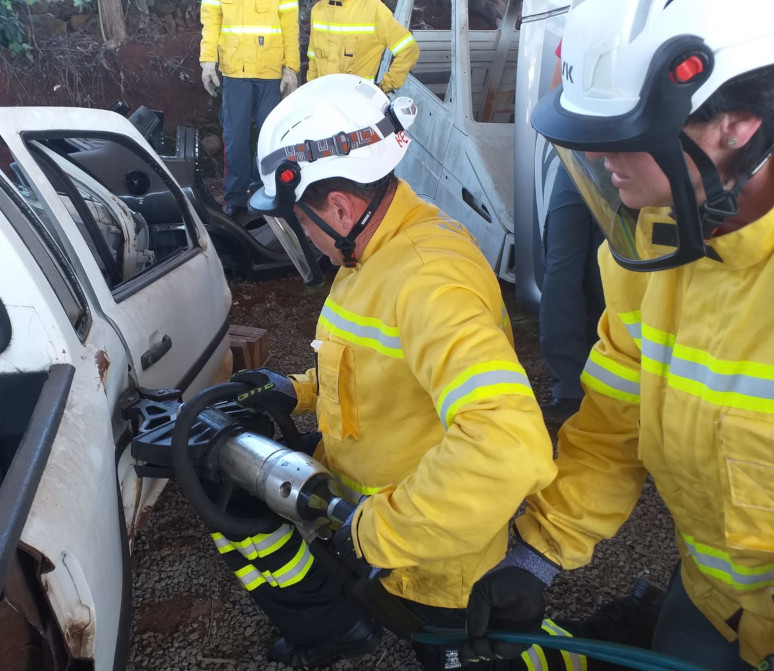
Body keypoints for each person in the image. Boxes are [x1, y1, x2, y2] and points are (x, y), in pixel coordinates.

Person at [466, 1, 774, 668]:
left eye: (623, 132)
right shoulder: (656, 248)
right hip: (714, 599)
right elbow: (610, 423)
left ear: (739, 125)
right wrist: (536, 554)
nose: (601, 159)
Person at [213, 73, 557, 669]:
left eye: (299, 220)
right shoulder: (373, 250)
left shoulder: (426, 278)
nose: (305, 238)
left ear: (340, 205)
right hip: (386, 540)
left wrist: (377, 532)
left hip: (435, 567)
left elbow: (506, 445)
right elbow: (376, 372)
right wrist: (292, 392)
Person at [538, 40, 606, 425]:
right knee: (562, 270)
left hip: (622, 155)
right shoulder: (587, 20)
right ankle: (569, 391)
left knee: (611, 270)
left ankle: (612, 391)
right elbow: (556, 90)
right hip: (578, 159)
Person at [199, 0, 299, 218]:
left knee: (271, 138)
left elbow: (290, 26)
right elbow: (211, 20)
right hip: (235, 71)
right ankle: (236, 198)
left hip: (270, 71)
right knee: (235, 137)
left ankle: (266, 191)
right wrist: (207, 60)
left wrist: (291, 67)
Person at [305, 0, 419, 93]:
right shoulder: (318, 10)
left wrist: (384, 86)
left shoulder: (374, 9)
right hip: (323, 101)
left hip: (358, 104)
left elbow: (409, 50)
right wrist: (311, 91)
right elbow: (313, 58)